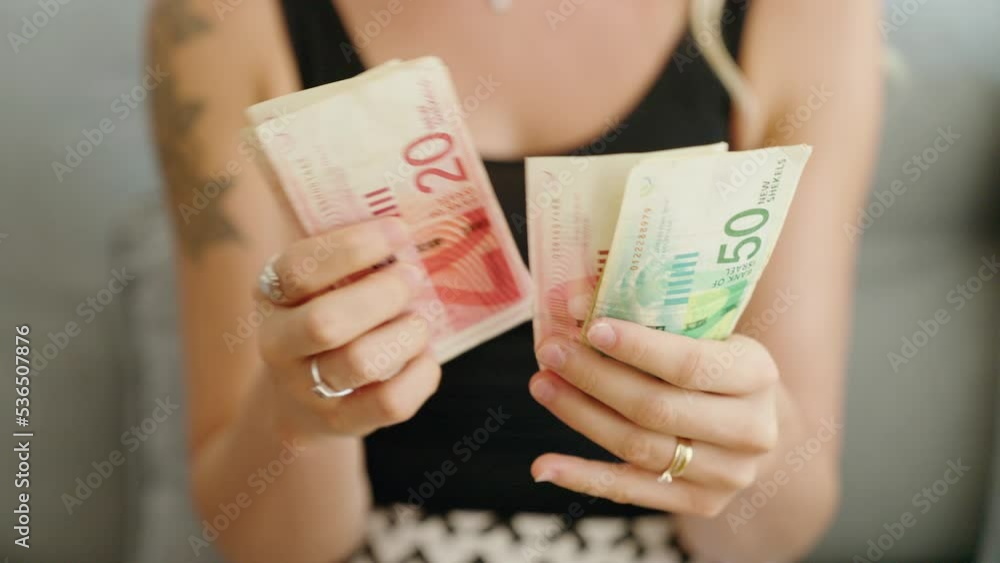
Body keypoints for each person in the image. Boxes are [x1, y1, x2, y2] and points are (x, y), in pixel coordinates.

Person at [148, 0, 881, 561]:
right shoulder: (221, 19)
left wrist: (740, 453)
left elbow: (785, 528)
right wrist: (305, 413)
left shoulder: (805, 14)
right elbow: (261, 541)